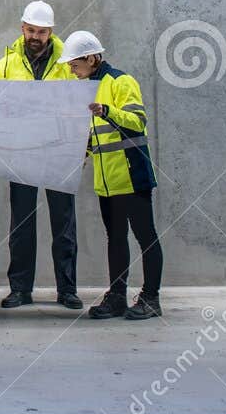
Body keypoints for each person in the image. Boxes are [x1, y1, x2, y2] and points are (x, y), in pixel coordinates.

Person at [59, 30, 163, 320]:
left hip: (132, 175)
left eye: (75, 63)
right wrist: (82, 155)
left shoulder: (120, 81)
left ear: (91, 58)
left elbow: (137, 121)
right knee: (115, 239)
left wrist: (107, 110)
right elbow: (99, 137)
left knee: (146, 237)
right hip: (107, 182)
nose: (71, 68)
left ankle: (151, 299)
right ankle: (117, 296)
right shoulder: (87, 87)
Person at [0, 0, 82, 311]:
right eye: (31, 30)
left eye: (42, 32)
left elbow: (81, 105)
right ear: (22, 28)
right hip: (21, 153)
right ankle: (19, 290)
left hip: (59, 153)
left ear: (51, 32)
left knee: (64, 224)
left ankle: (67, 290)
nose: (35, 36)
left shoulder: (69, 61)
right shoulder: (5, 64)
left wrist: (81, 145)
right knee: (21, 224)